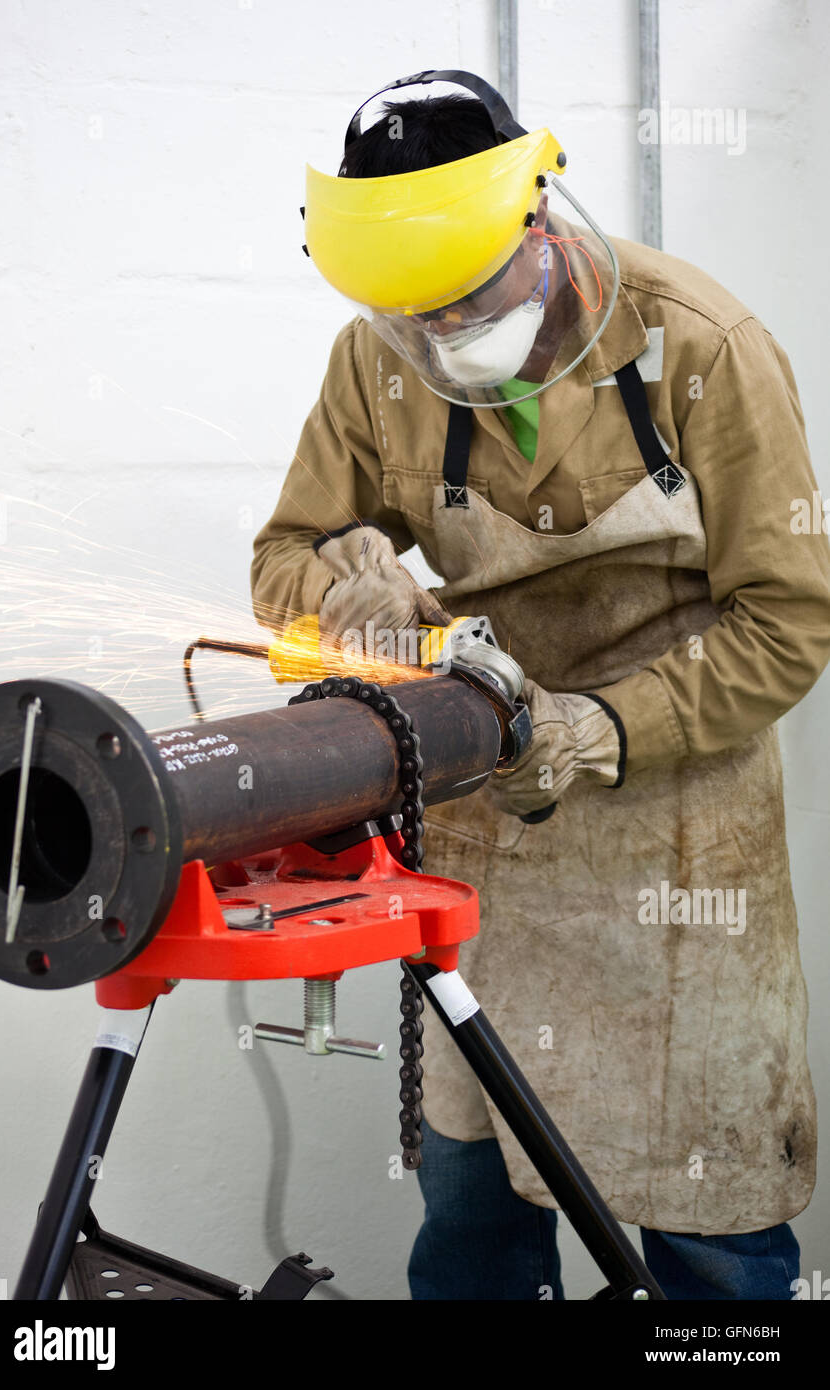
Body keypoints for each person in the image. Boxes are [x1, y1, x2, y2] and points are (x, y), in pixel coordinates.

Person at [251, 70, 830, 1300]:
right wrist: (336, 576)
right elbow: (277, 560)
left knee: (702, 1236)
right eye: (417, 314)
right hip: (487, 855)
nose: (445, 334)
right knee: (473, 1215)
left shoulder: (703, 346)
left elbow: (790, 619)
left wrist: (594, 731)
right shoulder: (380, 355)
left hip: (678, 852)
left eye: (467, 297)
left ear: (536, 222)